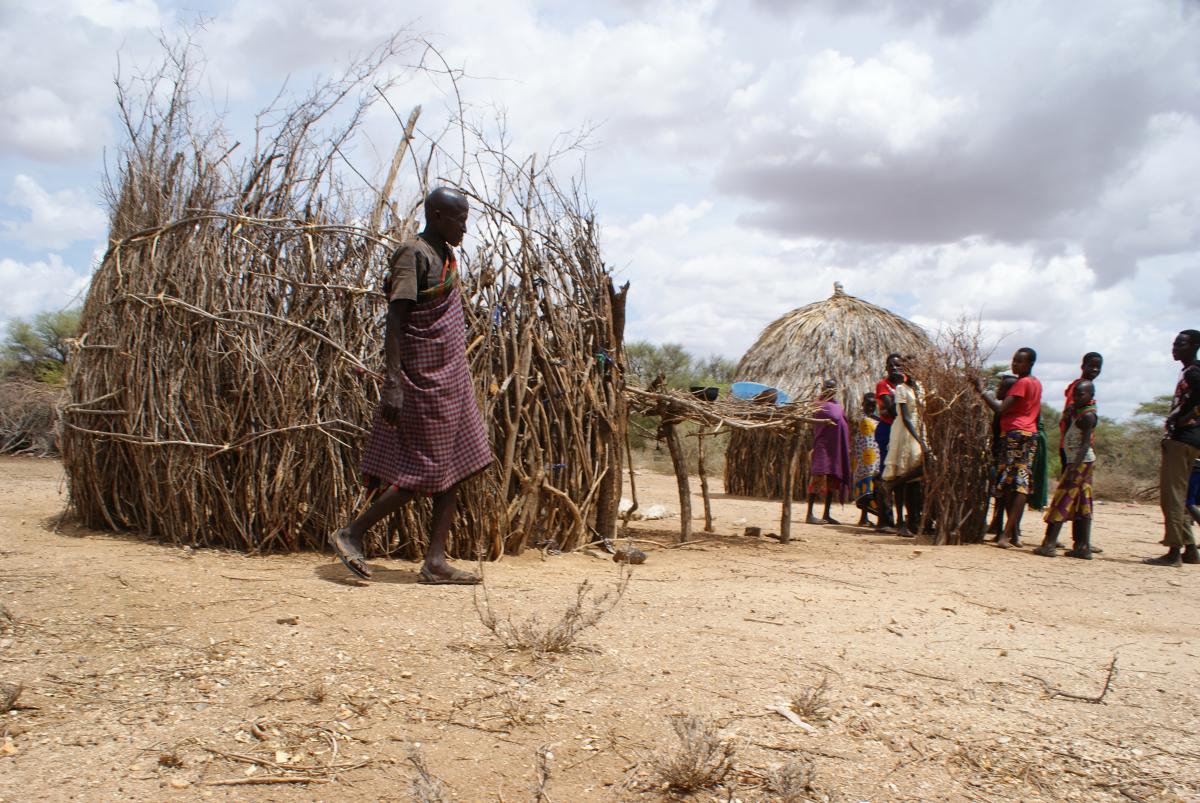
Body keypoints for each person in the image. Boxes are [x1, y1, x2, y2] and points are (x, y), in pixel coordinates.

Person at [330, 187, 493, 584]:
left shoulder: (446, 257)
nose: (465, 228)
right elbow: (397, 320)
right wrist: (394, 382)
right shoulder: (413, 254)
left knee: (455, 468)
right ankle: (352, 533)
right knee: (427, 469)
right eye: (459, 219)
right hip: (421, 380)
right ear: (437, 215)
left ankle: (435, 561)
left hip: (450, 379)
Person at [974, 347, 1042, 549]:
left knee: (1017, 484)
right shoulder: (1036, 383)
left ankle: (1006, 533)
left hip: (1016, 434)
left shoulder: (1022, 383)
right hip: (1028, 434)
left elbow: (1000, 409)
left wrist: (980, 389)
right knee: (1015, 482)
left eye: (1019, 362)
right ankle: (1012, 533)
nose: (1015, 365)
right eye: (1014, 361)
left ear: (1030, 364)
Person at [1145, 330, 1200, 567]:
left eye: (1181, 344)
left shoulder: (1195, 371)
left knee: (1173, 497)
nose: (1175, 348)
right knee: (1180, 495)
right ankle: (1189, 549)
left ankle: (1174, 551)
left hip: (1182, 440)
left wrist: (1183, 419)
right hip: (1188, 440)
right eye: (1174, 343)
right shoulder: (1189, 370)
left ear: (1195, 346)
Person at [1034, 381, 1098, 559]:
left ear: (1091, 396)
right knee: (1083, 502)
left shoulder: (1088, 416)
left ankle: (1049, 544)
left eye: (1081, 395)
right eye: (1075, 394)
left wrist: (1074, 467)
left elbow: (1085, 444)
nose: (1077, 398)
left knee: (1062, 499)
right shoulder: (1078, 413)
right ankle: (1083, 546)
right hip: (1080, 462)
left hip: (1079, 462)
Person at [881, 371, 928, 537]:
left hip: (918, 430)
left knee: (915, 475)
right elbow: (906, 417)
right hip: (904, 432)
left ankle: (911, 520)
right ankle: (900, 522)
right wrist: (920, 440)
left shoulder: (920, 388)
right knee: (903, 471)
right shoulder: (901, 389)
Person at [806, 379, 852, 525]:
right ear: (823, 388)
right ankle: (809, 514)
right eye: (828, 387)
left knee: (832, 479)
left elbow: (840, 420)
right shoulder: (817, 405)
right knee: (817, 477)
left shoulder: (837, 405)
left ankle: (827, 513)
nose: (830, 390)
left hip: (835, 447)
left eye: (833, 387)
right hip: (822, 445)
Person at [985, 373, 1018, 540]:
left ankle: (1004, 531)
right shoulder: (1011, 410)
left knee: (1003, 493)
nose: (998, 389)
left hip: (1002, 453)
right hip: (1001, 452)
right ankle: (1007, 531)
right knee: (1005, 494)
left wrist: (983, 391)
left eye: (1002, 388)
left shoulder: (1003, 410)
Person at [873, 354, 904, 529]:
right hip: (887, 431)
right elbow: (892, 410)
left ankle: (901, 519)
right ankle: (884, 519)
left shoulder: (907, 382)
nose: (894, 368)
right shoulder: (883, 385)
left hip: (904, 432)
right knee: (887, 473)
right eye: (891, 365)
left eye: (898, 365)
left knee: (902, 475)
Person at [1060, 353, 1103, 467]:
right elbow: (1068, 416)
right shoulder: (1080, 388)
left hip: (1078, 448)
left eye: (1098, 367)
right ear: (1083, 366)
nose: (1095, 369)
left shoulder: (1083, 387)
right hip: (1074, 448)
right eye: (1091, 366)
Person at [852, 392, 880, 527]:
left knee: (872, 489)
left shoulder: (874, 418)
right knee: (866, 490)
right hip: (865, 460)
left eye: (873, 405)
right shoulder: (862, 418)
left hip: (874, 458)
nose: (870, 407)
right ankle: (863, 518)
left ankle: (866, 518)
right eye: (868, 404)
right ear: (863, 404)